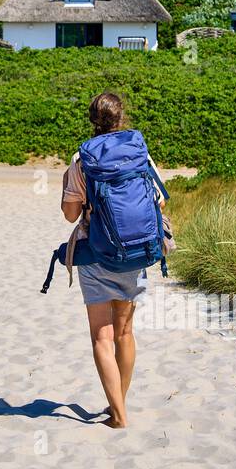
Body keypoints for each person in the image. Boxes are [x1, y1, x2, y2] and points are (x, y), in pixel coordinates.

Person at [61, 91, 166, 430]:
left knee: (101, 336)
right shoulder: (140, 154)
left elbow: (70, 213)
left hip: (97, 255)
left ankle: (118, 414)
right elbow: (160, 201)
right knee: (124, 332)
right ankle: (117, 402)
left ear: (92, 120)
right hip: (136, 254)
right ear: (122, 117)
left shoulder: (82, 160)